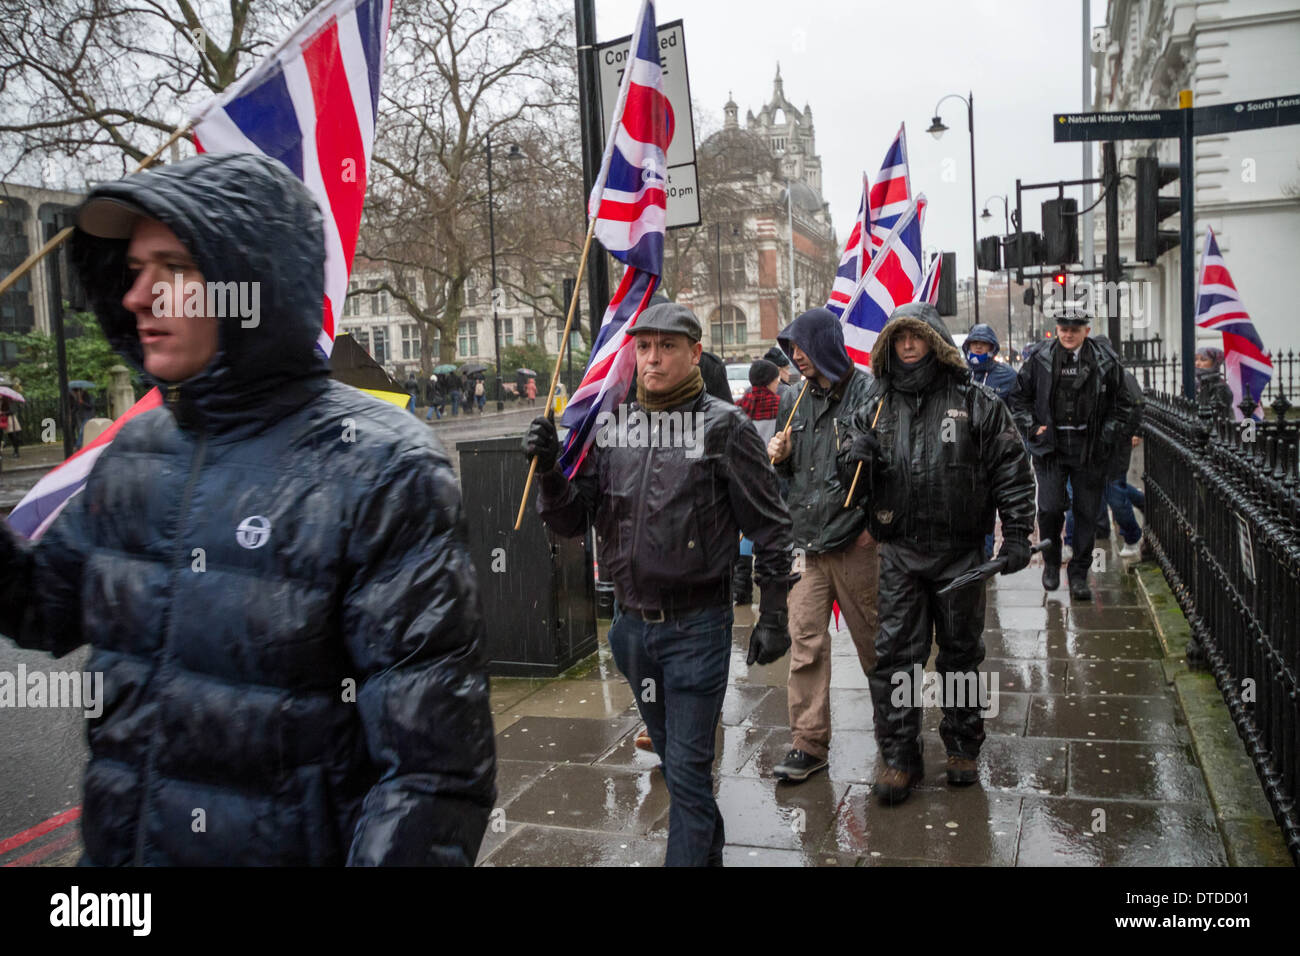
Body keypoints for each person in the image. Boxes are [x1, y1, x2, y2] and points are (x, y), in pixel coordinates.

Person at [0, 152, 495, 866]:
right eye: (135, 270)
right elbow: (42, 610)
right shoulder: (133, 451)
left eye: (172, 267)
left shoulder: (382, 469)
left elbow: (431, 776)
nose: (139, 295)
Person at [526, 302, 795, 866]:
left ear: (694, 352)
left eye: (666, 346)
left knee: (690, 773)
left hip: (697, 627)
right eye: (643, 346)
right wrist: (551, 472)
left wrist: (773, 615)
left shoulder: (726, 426)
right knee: (676, 763)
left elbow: (771, 528)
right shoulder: (614, 425)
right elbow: (577, 520)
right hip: (630, 631)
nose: (652, 358)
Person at [838, 303, 1035, 804]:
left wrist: (1016, 534)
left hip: (960, 554)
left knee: (960, 656)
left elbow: (1011, 469)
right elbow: (852, 487)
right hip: (900, 551)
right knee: (897, 657)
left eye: (916, 337)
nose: (907, 346)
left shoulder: (978, 404)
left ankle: (963, 746)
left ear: (935, 341)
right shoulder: (874, 407)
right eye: (899, 338)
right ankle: (900, 756)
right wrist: (851, 461)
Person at [766, 307, 880, 783]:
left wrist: (874, 520)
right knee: (806, 644)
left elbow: (889, 463)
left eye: (803, 346)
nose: (795, 356)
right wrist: (781, 460)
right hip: (808, 546)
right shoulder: (792, 397)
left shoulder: (870, 393)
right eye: (791, 348)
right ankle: (808, 743)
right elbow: (793, 479)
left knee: (878, 644)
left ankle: (896, 732)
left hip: (856, 540)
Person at [1010, 313, 1134, 601]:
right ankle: (1052, 562)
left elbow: (1124, 403)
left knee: (1086, 513)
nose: (1068, 334)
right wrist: (1032, 428)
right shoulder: (1040, 357)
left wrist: (1105, 435)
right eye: (1063, 329)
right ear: (1057, 330)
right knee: (1050, 507)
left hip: (1089, 451)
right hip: (1050, 448)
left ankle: (1079, 574)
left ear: (1086, 331)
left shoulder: (1105, 360)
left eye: (1074, 330)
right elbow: (1019, 397)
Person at [961, 323, 1018, 401]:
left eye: (984, 343)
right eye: (974, 342)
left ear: (991, 347)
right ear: (968, 346)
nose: (978, 346)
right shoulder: (959, 372)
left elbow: (1018, 407)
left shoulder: (1007, 375)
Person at [1194, 346, 1235, 420]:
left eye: (1203, 359)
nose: (1197, 363)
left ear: (1215, 362)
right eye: (1195, 359)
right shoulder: (1195, 383)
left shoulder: (1221, 387)